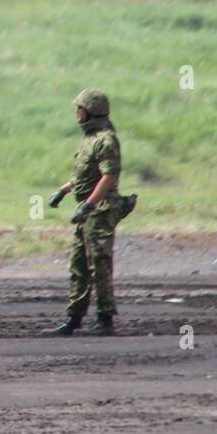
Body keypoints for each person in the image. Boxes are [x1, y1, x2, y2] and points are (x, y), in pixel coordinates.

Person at [43, 89, 136, 337]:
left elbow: (109, 176)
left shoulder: (106, 139)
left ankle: (105, 319)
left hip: (101, 210)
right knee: (79, 265)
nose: (77, 113)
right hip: (88, 209)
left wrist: (89, 205)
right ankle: (73, 319)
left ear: (91, 111)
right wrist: (62, 192)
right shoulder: (89, 139)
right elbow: (83, 175)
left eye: (80, 109)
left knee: (99, 264)